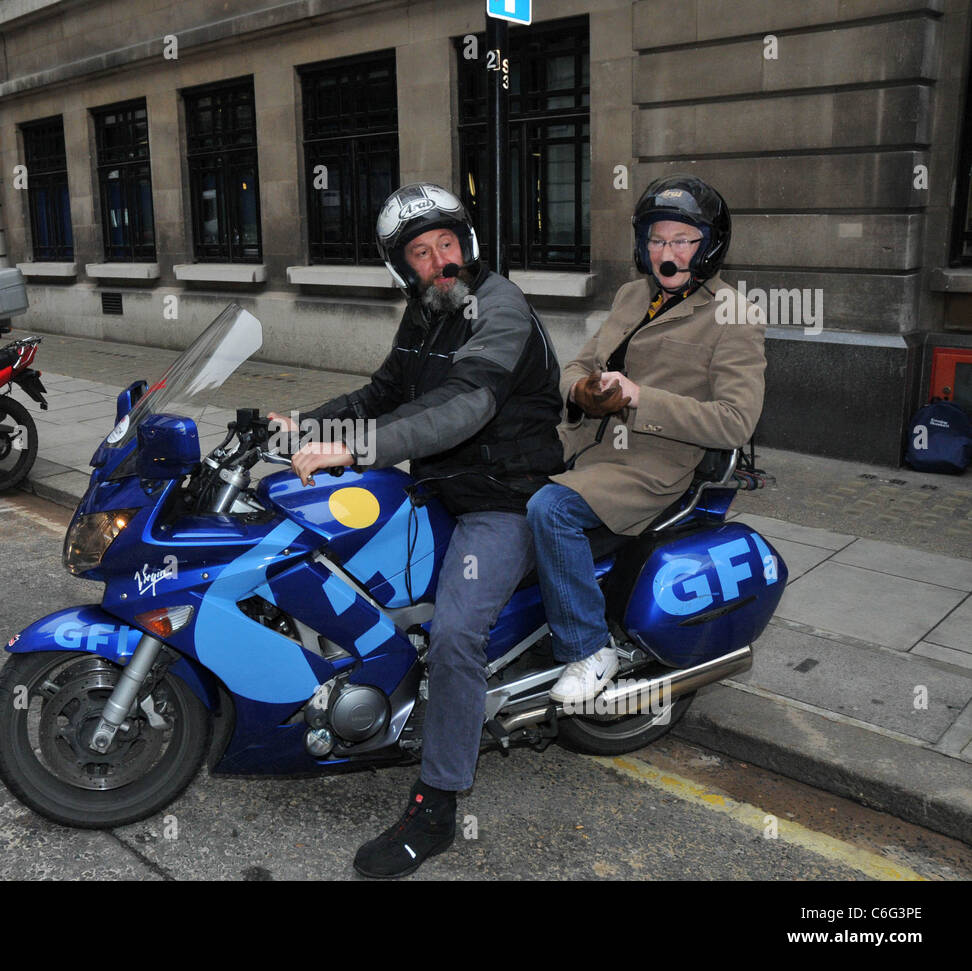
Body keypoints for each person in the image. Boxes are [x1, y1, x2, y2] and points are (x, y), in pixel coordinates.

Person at [270, 182, 564, 878]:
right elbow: (383, 393)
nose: (439, 261)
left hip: (502, 500)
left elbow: (463, 406)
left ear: (468, 244)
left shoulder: (499, 307)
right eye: (422, 253)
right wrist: (304, 426)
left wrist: (353, 448)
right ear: (404, 268)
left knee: (456, 634)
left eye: (447, 244)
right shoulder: (427, 311)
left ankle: (437, 805)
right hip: (436, 489)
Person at [526, 175, 767, 705]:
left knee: (551, 510)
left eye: (682, 240)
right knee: (491, 475)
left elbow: (735, 422)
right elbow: (577, 366)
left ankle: (589, 648)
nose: (667, 252)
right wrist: (583, 392)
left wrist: (639, 398)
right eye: (657, 239)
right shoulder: (632, 295)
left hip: (652, 466)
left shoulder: (735, 315)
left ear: (709, 245)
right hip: (582, 443)